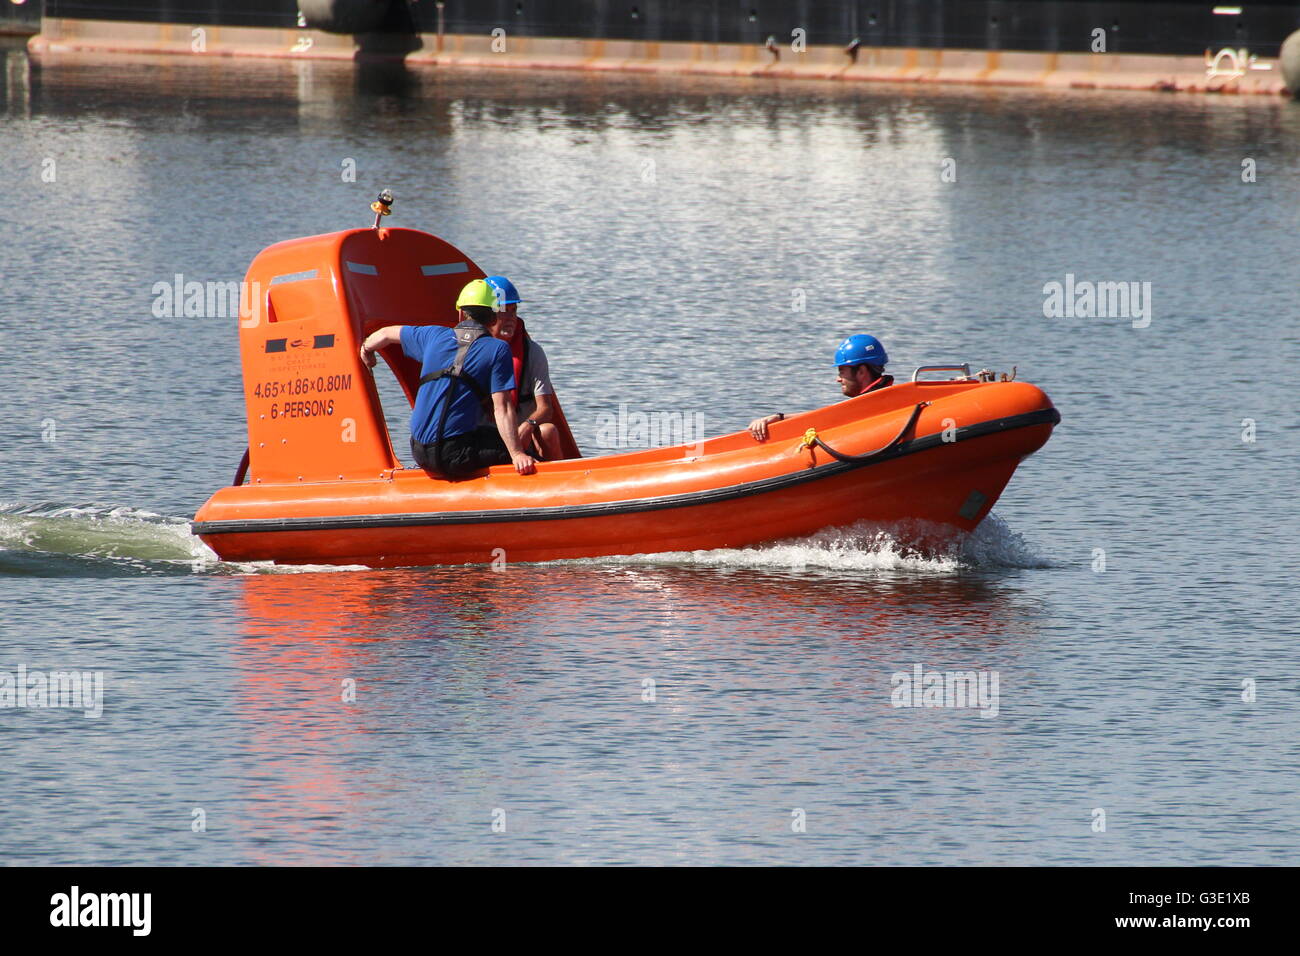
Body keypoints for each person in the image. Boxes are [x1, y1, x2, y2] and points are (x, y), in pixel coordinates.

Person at [358, 279, 537, 477]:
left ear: (461, 313)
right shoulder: (497, 349)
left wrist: (366, 349)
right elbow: (502, 408)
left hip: (419, 452)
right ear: (494, 317)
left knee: (484, 434)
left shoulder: (433, 335)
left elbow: (384, 334)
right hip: (454, 456)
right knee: (524, 452)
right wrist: (517, 454)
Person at [748, 334, 894, 441]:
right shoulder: (870, 403)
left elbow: (830, 416)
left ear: (861, 371)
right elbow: (827, 415)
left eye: (842, 371)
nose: (838, 379)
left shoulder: (877, 406)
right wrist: (779, 418)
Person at [481, 275, 563, 461]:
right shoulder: (474, 352)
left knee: (548, 430)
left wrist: (528, 425)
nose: (511, 317)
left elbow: (546, 409)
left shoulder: (533, 352)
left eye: (514, 310)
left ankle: (558, 481)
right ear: (487, 314)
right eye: (503, 310)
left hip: (521, 436)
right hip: (487, 438)